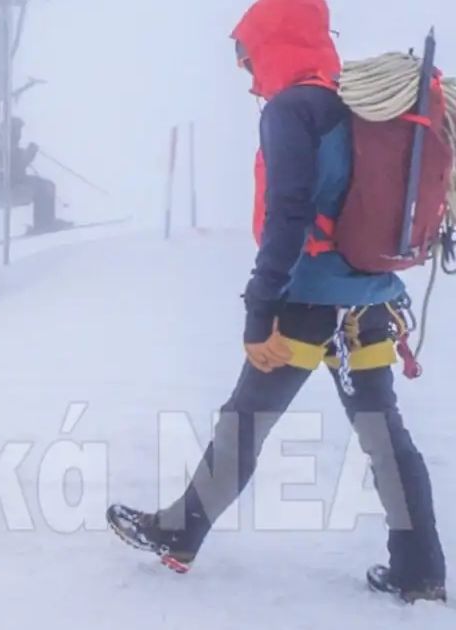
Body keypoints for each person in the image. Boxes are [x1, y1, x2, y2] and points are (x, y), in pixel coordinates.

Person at [106, 0, 447, 604]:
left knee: (244, 422)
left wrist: (260, 309)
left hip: (309, 303)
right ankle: (420, 569)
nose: (248, 80)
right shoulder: (358, 103)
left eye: (248, 62)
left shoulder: (295, 110)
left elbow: (289, 213)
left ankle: (180, 534)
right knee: (383, 433)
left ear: (274, 45)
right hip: (371, 303)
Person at [10, 117, 67, 235]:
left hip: (17, 181)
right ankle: (43, 224)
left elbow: (20, 160)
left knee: (47, 185)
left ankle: (46, 221)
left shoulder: (10, 145)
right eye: (18, 130)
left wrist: (29, 152)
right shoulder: (6, 147)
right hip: (12, 185)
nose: (19, 134)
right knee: (43, 188)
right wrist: (29, 153)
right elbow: (17, 165)